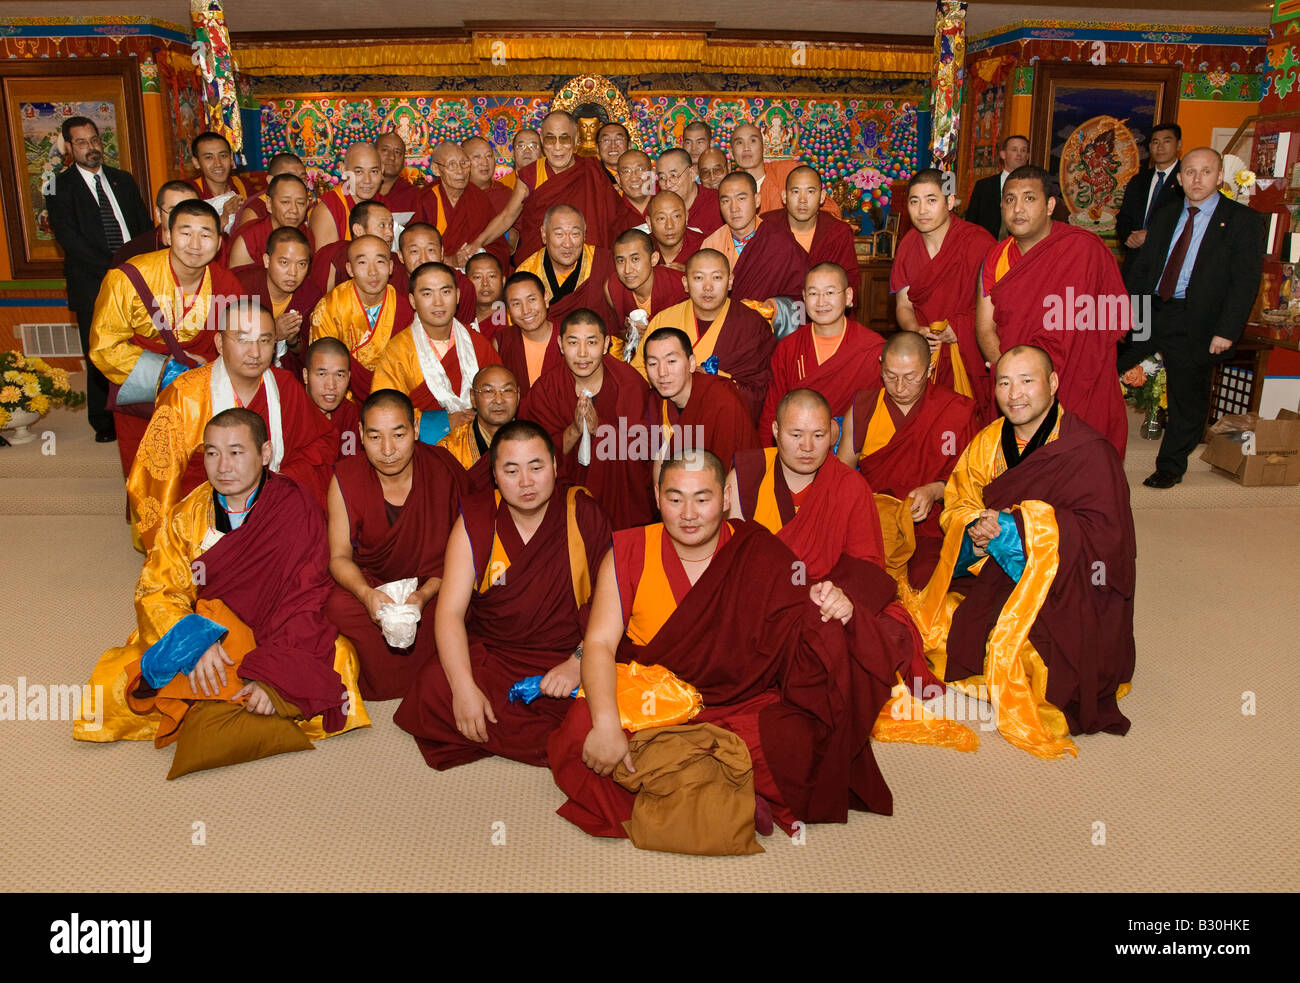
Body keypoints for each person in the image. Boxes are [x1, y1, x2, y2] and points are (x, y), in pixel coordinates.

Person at [547, 449, 896, 845]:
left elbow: (804, 627)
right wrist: (608, 725)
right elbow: (598, 644)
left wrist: (840, 608)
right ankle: (726, 790)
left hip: (737, 700)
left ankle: (694, 790)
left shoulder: (756, 549)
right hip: (653, 701)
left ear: (726, 498)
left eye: (703, 498)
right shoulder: (628, 551)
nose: (689, 513)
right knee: (579, 735)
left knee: (799, 743)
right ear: (657, 499)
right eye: (675, 498)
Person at [73, 408, 368, 763]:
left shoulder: (295, 505)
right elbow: (157, 591)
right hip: (208, 630)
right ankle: (232, 700)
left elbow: (306, 595)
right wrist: (194, 646)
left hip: (277, 628)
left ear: (265, 453)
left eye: (236, 452)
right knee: (111, 688)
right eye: (212, 453)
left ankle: (228, 699)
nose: (223, 466)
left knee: (341, 661)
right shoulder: (187, 514)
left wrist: (273, 675)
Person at [901, 346, 1136, 758]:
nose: (1015, 394)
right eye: (1005, 382)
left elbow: (1108, 542)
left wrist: (1017, 528)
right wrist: (974, 532)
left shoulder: (1089, 451)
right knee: (933, 628)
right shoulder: (990, 441)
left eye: (1028, 380)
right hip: (993, 572)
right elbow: (958, 502)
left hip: (1066, 589)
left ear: (1053, 384)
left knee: (1037, 671)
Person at [394, 420, 613, 768]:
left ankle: (547, 732)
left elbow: (613, 604)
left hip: (566, 652)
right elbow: (450, 612)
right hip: (497, 656)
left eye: (536, 467)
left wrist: (579, 660)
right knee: (436, 688)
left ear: (556, 466)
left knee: (605, 700)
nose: (526, 482)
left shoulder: (583, 513)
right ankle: (553, 738)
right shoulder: (476, 520)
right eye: (511, 470)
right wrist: (464, 689)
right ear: (495, 475)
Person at [729, 388, 934, 734]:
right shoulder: (747, 473)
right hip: (763, 599)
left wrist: (840, 597)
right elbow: (731, 557)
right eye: (796, 435)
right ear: (776, 432)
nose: (807, 447)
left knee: (890, 633)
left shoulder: (849, 485)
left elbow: (867, 563)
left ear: (833, 435)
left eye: (818, 435)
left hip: (825, 598)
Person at [126, 300, 338, 552]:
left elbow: (319, 443)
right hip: (203, 517)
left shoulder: (284, 386)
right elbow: (155, 479)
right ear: (219, 343)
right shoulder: (185, 395)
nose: (255, 353)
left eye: (265, 340)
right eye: (243, 339)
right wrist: (169, 549)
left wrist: (281, 482)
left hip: (271, 504)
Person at [1120, 147, 1263, 487]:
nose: (1197, 179)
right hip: (1151, 308)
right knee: (1105, 365)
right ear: (1180, 178)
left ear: (1219, 177)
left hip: (1195, 318)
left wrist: (1227, 330)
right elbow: (1144, 267)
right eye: (1190, 172)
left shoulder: (1242, 221)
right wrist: (1125, 311)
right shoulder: (1167, 213)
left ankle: (1170, 466)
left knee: (1187, 396)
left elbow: (1245, 282)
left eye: (1206, 171)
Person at [976, 164, 1129, 457]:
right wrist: (1010, 378)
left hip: (1076, 373)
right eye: (1010, 200)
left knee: (1079, 465)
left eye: (1029, 198)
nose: (1017, 208)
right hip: (1016, 379)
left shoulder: (1083, 249)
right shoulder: (996, 258)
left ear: (1049, 205)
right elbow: (984, 326)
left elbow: (1110, 318)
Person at [325, 389, 467, 700]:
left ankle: (435, 669)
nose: (388, 450)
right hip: (374, 587)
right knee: (336, 605)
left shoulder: (441, 469)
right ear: (361, 435)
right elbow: (338, 556)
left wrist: (424, 595)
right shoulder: (346, 478)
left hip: (432, 586)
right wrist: (366, 596)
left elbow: (463, 556)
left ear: (416, 429)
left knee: (465, 604)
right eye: (375, 437)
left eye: (398, 434)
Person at [88, 199, 241, 480]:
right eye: (185, 232)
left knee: (199, 474)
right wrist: (166, 371)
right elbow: (104, 346)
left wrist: (206, 368)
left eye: (206, 234)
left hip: (200, 395)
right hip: (142, 394)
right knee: (148, 476)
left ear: (220, 242)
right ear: (167, 235)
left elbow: (238, 345)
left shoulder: (226, 284)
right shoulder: (128, 277)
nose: (195, 244)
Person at [838, 332, 978, 588]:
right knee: (860, 583)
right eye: (890, 376)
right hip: (874, 524)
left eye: (910, 377)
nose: (900, 387)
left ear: (929, 369)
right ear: (880, 365)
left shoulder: (956, 411)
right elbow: (839, 478)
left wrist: (934, 490)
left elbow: (971, 485)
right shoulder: (864, 407)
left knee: (925, 582)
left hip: (931, 529)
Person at [46, 114, 152, 442]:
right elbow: (71, 241)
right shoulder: (58, 188)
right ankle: (103, 422)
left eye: (94, 140)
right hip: (92, 282)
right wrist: (116, 268)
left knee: (139, 348)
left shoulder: (123, 179)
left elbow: (143, 228)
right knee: (98, 351)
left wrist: (144, 267)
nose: (91, 147)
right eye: (81, 142)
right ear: (68, 147)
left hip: (136, 281)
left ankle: (142, 410)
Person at [520, 309, 654, 529]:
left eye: (591, 343)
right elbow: (534, 456)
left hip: (621, 505)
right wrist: (574, 430)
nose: (582, 354)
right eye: (573, 343)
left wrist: (599, 429)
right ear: (561, 345)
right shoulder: (546, 390)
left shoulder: (630, 384)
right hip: (565, 505)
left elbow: (646, 450)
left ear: (606, 344)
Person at [891, 168, 997, 420]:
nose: (922, 210)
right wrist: (915, 330)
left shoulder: (977, 242)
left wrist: (959, 328)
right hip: (925, 353)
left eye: (931, 200)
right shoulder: (908, 246)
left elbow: (999, 307)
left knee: (968, 423)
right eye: (914, 202)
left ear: (949, 201)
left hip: (968, 350)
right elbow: (903, 306)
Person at [459, 111, 624, 264]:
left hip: (587, 262)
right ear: (543, 142)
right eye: (551, 139)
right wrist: (478, 243)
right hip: (539, 262)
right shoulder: (531, 174)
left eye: (564, 138)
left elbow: (614, 219)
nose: (557, 147)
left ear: (575, 141)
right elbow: (507, 216)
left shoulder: (591, 170)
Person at [639, 249, 776, 423]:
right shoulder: (664, 320)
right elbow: (639, 378)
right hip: (668, 426)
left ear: (730, 282)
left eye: (717, 277)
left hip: (725, 422)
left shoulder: (753, 326)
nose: (708, 287)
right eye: (698, 278)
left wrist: (712, 378)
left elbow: (763, 391)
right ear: (685, 283)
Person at [372, 261, 502, 445]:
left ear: (457, 296)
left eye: (446, 292)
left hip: (480, 441)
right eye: (427, 294)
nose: (438, 302)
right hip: (423, 449)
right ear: (412, 300)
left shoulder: (477, 343)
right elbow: (384, 410)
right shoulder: (397, 352)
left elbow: (501, 394)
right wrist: (444, 422)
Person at [760, 262, 883, 439]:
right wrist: (768, 456)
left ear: (848, 296)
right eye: (813, 293)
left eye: (830, 292)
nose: (821, 301)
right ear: (803, 297)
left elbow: (880, 414)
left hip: (851, 448)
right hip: (797, 446)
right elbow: (773, 409)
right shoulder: (789, 347)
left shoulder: (872, 348)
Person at [642, 327, 759, 478]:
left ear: (691, 363)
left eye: (671, 361)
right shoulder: (653, 402)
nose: (662, 372)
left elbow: (735, 470)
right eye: (653, 364)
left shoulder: (721, 400)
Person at [308, 234, 414, 399]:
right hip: (342, 397)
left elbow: (406, 368)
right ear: (350, 269)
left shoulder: (402, 308)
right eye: (362, 263)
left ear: (391, 266)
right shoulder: (330, 307)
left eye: (380, 262)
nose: (373, 272)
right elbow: (323, 365)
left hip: (390, 395)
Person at [706, 171, 808, 311]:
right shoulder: (711, 245)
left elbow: (802, 296)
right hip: (724, 327)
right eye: (726, 201)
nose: (733, 208)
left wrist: (772, 307)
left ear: (757, 200)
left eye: (741, 198)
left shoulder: (779, 241)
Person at [233, 226, 322, 375]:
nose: (293, 273)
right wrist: (272, 333)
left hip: (285, 375)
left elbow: (310, 353)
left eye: (301, 264)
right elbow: (227, 342)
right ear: (267, 260)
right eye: (284, 263)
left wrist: (293, 340)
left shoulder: (311, 294)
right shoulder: (241, 286)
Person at [511, 204, 618, 328]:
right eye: (559, 234)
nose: (567, 244)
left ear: (584, 234)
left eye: (575, 234)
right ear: (544, 234)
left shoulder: (604, 262)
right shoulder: (527, 273)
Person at [418, 141, 510, 271]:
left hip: (475, 273)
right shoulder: (425, 200)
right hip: (437, 274)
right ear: (436, 169)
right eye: (452, 165)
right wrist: (449, 261)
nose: (460, 171)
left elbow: (498, 246)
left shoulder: (478, 197)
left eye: (464, 163)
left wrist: (477, 257)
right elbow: (415, 249)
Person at [759, 165, 859, 282]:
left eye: (810, 192)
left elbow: (848, 282)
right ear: (784, 196)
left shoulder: (838, 232)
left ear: (822, 197)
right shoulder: (766, 226)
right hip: (775, 299)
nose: (802, 200)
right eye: (796, 191)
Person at [729, 122, 841, 217]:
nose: (746, 148)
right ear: (731, 153)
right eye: (739, 142)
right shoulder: (729, 187)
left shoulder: (789, 172)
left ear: (764, 147)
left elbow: (831, 211)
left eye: (753, 141)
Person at [1115, 123, 1184, 276]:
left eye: (1166, 141)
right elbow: (1124, 217)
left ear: (1179, 144)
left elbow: (1183, 221)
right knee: (1137, 301)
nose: (1160, 147)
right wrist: (1128, 237)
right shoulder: (1139, 181)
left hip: (1167, 263)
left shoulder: (1186, 180)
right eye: (1155, 142)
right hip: (1135, 261)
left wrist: (1151, 236)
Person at [437, 364, 520, 490]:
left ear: (518, 396)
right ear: (472, 398)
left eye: (507, 391)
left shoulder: (535, 442)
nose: (498, 400)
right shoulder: (449, 449)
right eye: (488, 391)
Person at [604, 228, 687, 351]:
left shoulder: (680, 285)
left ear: (653, 259)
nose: (627, 270)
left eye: (635, 259)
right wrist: (631, 333)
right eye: (621, 261)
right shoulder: (612, 288)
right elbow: (621, 334)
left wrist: (652, 333)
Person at [495, 271, 563, 398]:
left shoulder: (569, 337)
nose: (526, 310)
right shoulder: (501, 342)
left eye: (531, 299)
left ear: (545, 299)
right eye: (516, 304)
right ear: (508, 311)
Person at [227, 173, 313, 271]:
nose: (294, 210)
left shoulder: (307, 235)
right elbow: (239, 283)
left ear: (307, 204)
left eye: (300, 203)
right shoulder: (249, 241)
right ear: (269, 203)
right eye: (285, 202)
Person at [310, 199, 399, 294]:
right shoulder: (334, 253)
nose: (390, 233)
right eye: (382, 225)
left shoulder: (395, 260)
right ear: (358, 230)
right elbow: (320, 299)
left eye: (391, 225)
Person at [395, 222, 477, 324]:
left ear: (441, 253)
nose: (423, 259)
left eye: (431, 250)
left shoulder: (462, 285)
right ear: (400, 256)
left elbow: (465, 332)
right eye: (414, 251)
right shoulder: (391, 283)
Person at [309, 141, 385, 250]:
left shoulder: (381, 203)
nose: (367, 180)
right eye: (359, 172)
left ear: (382, 171)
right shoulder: (328, 211)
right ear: (343, 170)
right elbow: (326, 263)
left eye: (373, 171)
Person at [113, 180, 199, 265]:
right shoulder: (131, 253)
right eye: (174, 211)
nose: (183, 219)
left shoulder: (207, 247)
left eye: (190, 211)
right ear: (158, 214)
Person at [963, 134, 1030, 239]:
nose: (1019, 154)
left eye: (1023, 150)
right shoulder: (984, 186)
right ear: (1003, 154)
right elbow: (971, 222)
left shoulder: (1032, 187)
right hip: (986, 246)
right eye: (1014, 150)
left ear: (1027, 156)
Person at [230, 152, 309, 233]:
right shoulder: (254, 211)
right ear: (271, 181)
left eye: (302, 178)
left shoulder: (303, 204)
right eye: (289, 178)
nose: (298, 183)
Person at [303, 336, 361, 444]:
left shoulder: (349, 414)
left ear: (348, 378)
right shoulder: (290, 409)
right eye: (322, 374)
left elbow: (350, 459)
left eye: (339, 375)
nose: (331, 386)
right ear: (306, 376)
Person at [188, 131, 250, 230]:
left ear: (231, 158)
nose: (218, 164)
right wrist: (224, 218)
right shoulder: (189, 192)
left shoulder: (243, 186)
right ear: (196, 162)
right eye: (209, 157)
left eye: (223, 156)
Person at [656, 148, 722, 236]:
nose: (668, 184)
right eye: (662, 178)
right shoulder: (657, 207)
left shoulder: (717, 203)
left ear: (691, 174)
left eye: (673, 175)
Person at [646, 190, 703, 269]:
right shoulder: (640, 248)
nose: (669, 226)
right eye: (661, 218)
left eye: (676, 216)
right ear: (649, 222)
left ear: (686, 217)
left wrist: (691, 274)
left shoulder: (704, 245)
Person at [376, 129, 420, 223]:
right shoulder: (359, 190)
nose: (391, 157)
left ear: (403, 160)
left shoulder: (414, 196)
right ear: (373, 153)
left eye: (397, 152)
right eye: (385, 150)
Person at [463, 136, 513, 215]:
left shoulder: (506, 195)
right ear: (463, 162)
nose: (485, 162)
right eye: (477, 156)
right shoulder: (454, 194)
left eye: (489, 156)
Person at [465, 252, 507, 338]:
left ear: (503, 281)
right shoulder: (459, 318)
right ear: (466, 282)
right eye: (477, 277)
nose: (485, 283)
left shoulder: (512, 319)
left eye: (491, 276)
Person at [614, 149, 654, 227]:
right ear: (618, 180)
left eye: (640, 169)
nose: (634, 178)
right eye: (626, 171)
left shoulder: (669, 202)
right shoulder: (613, 213)